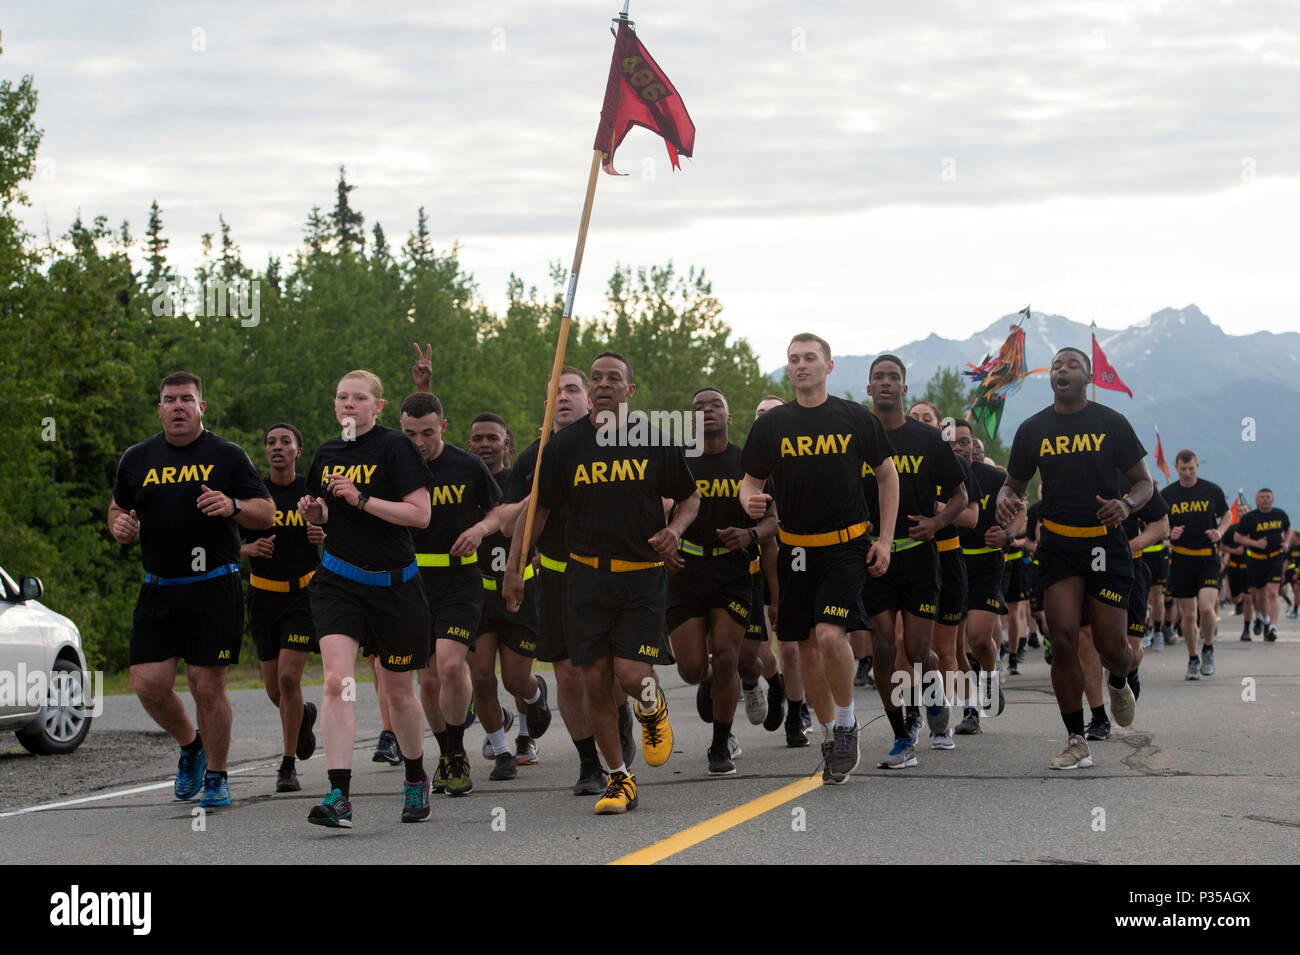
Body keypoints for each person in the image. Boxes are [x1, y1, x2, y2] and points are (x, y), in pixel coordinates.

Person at [509, 353, 700, 813]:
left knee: (631, 674)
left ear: (630, 390)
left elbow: (691, 497)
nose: (603, 384)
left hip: (640, 579)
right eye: (596, 378)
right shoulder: (565, 445)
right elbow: (540, 511)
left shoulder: (654, 439)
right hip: (585, 579)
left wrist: (674, 530)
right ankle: (619, 779)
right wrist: (515, 569)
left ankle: (652, 708)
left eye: (614, 378)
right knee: (593, 682)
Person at [109, 372, 274, 809]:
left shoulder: (227, 456)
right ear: (159, 408)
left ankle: (218, 776)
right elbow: (119, 509)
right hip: (159, 589)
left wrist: (233, 506)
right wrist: (119, 526)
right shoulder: (136, 458)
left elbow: (267, 512)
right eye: (169, 399)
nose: (178, 406)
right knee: (148, 684)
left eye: (187, 399)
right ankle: (191, 746)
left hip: (213, 587)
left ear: (202, 407)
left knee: (206, 686)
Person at [739, 333, 899, 785]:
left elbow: (888, 478)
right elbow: (749, 482)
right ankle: (829, 733)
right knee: (804, 644)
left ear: (829, 367)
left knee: (830, 635)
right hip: (793, 548)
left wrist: (884, 540)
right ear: (788, 369)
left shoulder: (855, 418)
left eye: (810, 358)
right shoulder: (772, 426)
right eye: (794, 359)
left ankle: (847, 723)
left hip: (846, 545)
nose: (801, 365)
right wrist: (749, 500)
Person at [996, 347, 1150, 770]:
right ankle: (1076, 738)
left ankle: (1120, 677)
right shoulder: (1032, 429)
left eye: (1073, 365)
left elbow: (1144, 483)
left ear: (1087, 377)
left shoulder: (1111, 423)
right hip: (1059, 546)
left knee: (1110, 646)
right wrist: (1004, 500)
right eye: (1058, 365)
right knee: (1062, 638)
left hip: (1106, 543)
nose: (1063, 369)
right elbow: (1012, 485)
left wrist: (1126, 505)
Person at [298, 370, 433, 827]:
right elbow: (326, 513)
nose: (349, 404)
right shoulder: (328, 452)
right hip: (340, 581)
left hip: (395, 584)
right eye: (342, 397)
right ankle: (339, 795)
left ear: (377, 406)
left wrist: (360, 499)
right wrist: (317, 513)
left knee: (397, 689)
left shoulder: (395, 447)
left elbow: (420, 515)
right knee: (338, 681)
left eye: (359, 398)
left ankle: (415, 777)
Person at [502, 366, 614, 796]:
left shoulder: (613, 447)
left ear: (589, 398)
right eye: (555, 393)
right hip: (556, 578)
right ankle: (589, 764)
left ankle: (618, 723)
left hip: (609, 577)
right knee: (569, 676)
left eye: (572, 390)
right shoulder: (534, 458)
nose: (563, 399)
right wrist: (538, 492)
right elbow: (511, 524)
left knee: (611, 675)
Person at [856, 356, 967, 767]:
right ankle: (902, 735)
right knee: (885, 649)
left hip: (920, 556)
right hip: (875, 557)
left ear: (905, 388)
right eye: (878, 378)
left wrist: (936, 523)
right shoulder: (855, 438)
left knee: (918, 652)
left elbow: (961, 497)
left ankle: (934, 693)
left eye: (893, 378)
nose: (886, 383)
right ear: (868, 389)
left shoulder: (929, 438)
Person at [398, 392, 504, 794]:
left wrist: (479, 530)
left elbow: (498, 510)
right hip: (411, 583)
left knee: (448, 667)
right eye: (410, 434)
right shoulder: (395, 467)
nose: (419, 442)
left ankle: (457, 750)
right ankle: (446, 753)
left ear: (442, 427)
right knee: (427, 682)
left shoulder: (467, 465)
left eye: (427, 433)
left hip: (459, 582)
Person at [667, 387, 776, 775]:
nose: (707, 410)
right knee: (691, 668)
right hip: (686, 571)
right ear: (691, 419)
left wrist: (749, 535)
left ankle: (720, 744)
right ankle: (707, 680)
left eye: (715, 405)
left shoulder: (747, 463)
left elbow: (772, 521)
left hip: (733, 571)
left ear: (729, 418)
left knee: (729, 656)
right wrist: (666, 546)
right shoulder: (678, 460)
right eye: (698, 406)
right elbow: (657, 510)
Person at [465, 411, 551, 772]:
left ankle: (533, 701)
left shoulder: (520, 481)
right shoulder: (465, 481)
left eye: (492, 438)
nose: (485, 444)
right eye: (478, 438)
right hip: (477, 594)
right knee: (481, 676)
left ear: (508, 445)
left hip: (520, 588)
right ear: (469, 445)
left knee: (516, 679)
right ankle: (502, 750)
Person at [239, 422, 322, 792]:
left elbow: (340, 534)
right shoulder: (255, 493)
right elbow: (223, 542)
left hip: (302, 594)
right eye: (270, 441)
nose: (277, 447)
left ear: (297, 450)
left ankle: (287, 766)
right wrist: (248, 550)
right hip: (263, 596)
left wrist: (323, 535)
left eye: (285, 441)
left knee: (290, 678)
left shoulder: (311, 490)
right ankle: (302, 717)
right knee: (275, 691)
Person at [1161, 450, 1231, 678]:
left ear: (1197, 466)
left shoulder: (1211, 490)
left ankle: (1208, 647)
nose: (1188, 473)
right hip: (1181, 558)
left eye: (1192, 468)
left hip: (1207, 557)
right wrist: (1170, 532)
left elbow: (1227, 515)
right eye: (1184, 469)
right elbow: (1158, 523)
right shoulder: (1168, 494)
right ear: (1177, 467)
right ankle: (1192, 658)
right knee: (1189, 616)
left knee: (1206, 608)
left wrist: (1220, 531)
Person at [1235, 489, 1292, 641]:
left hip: (1274, 558)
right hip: (1255, 559)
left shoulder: (1280, 514)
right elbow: (1238, 537)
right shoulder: (1249, 518)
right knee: (1258, 595)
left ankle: (1273, 627)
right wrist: (1255, 543)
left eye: (1268, 497)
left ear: (1273, 499)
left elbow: (1289, 529)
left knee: (1273, 591)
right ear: (1256, 500)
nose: (1265, 500)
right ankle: (1263, 619)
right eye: (1262, 497)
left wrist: (1286, 542)